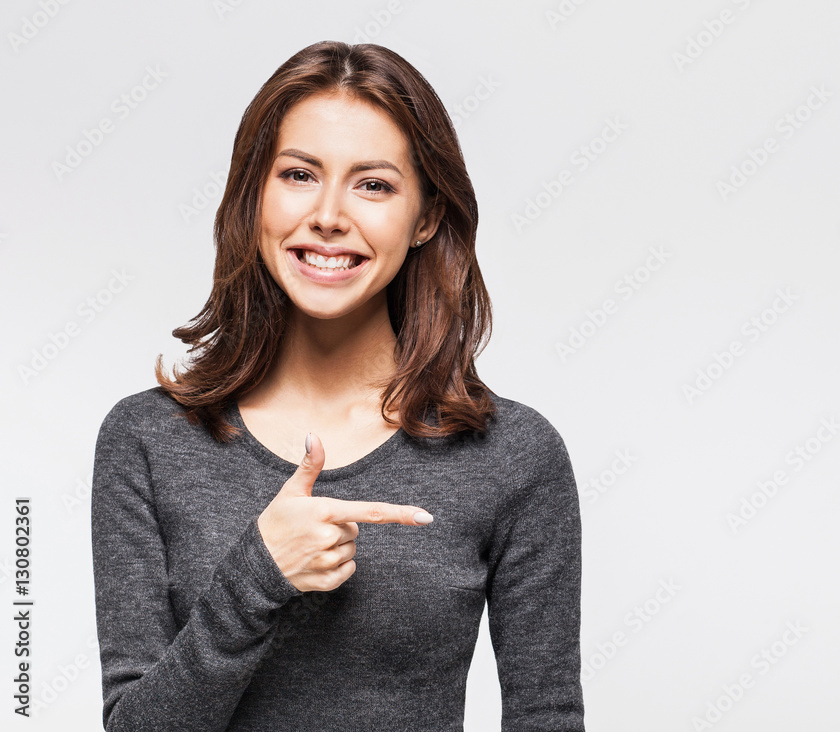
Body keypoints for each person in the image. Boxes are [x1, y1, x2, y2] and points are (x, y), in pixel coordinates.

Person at [90, 40, 585, 731]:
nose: (328, 215)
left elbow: (547, 716)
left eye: (373, 185)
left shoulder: (514, 455)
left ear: (426, 217)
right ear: (254, 196)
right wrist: (258, 574)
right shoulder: (146, 440)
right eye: (299, 174)